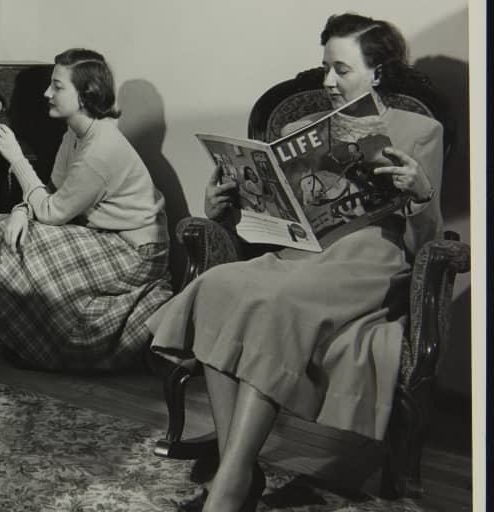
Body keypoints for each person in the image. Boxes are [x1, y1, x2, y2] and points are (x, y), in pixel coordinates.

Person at [147, 13, 442, 512]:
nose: (328, 80)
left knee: (274, 303)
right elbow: (273, 220)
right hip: (299, 254)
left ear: (377, 72)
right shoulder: (300, 129)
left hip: (365, 262)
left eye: (341, 69)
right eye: (325, 67)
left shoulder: (420, 131)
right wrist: (224, 206)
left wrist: (421, 193)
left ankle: (231, 483)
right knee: (218, 286)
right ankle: (239, 470)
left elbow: (428, 242)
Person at [0, 48, 172, 371]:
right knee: (0, 227)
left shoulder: (99, 151)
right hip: (104, 235)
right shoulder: (75, 135)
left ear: (85, 95)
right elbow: (51, 193)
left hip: (137, 252)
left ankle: (43, 348)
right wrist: (21, 211)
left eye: (58, 86)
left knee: (10, 237)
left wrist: (16, 159)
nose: (47, 93)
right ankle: (31, 341)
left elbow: (52, 213)